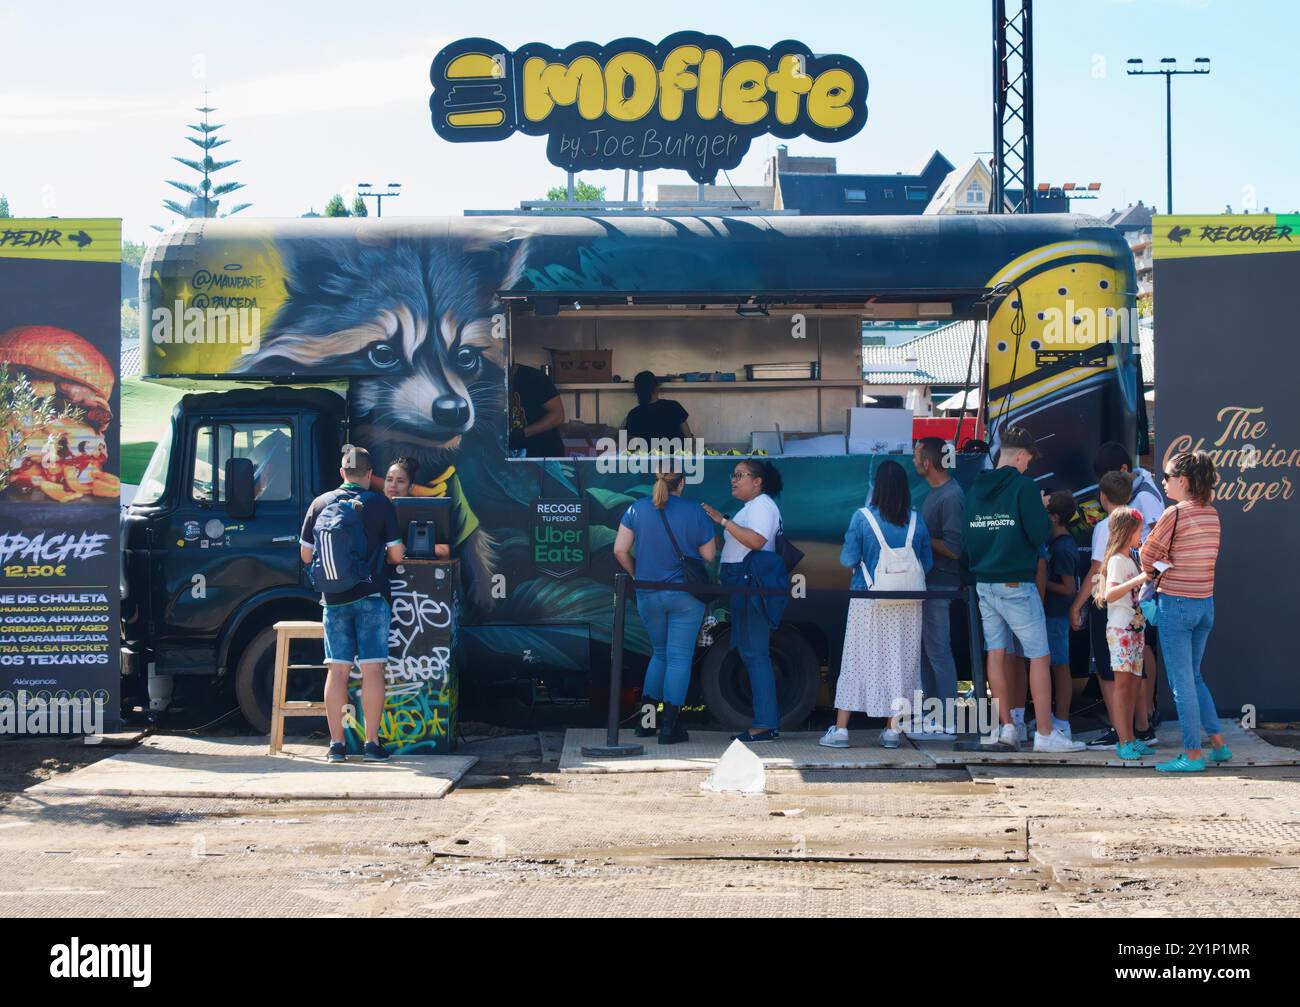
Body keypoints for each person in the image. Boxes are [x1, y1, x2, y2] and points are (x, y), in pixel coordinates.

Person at [963, 426, 1083, 752]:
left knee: (996, 654)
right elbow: (1039, 533)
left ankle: (1007, 729)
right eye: (1028, 460)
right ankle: (1044, 733)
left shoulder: (975, 487)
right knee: (1039, 656)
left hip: (984, 583)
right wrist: (1039, 507)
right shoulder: (1025, 487)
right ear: (1019, 455)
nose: (1028, 466)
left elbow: (968, 537)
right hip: (1017, 582)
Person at [300, 446, 404, 764]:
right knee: (372, 669)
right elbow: (397, 555)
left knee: (337, 670)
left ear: (342, 473)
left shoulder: (319, 504)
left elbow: (305, 555)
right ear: (370, 475)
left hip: (332, 600)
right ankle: (372, 745)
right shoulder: (379, 504)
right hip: (371, 596)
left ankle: (336, 746)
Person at [822, 460, 932, 749]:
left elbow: (847, 559)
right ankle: (892, 731)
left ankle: (842, 730)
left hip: (868, 599)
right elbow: (927, 563)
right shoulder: (917, 521)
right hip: (907, 603)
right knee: (901, 663)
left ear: (877, 487)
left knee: (857, 662)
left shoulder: (862, 518)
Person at [1140, 450, 1229, 773]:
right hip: (1205, 603)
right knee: (1194, 676)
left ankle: (1192, 755)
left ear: (1184, 481)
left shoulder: (1173, 514)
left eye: (1167, 476)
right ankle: (1218, 745)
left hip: (1176, 604)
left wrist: (1160, 567)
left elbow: (1147, 556)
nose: (1162, 482)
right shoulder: (1212, 513)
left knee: (1182, 683)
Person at [613, 469, 717, 744]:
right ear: (681, 483)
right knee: (679, 658)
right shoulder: (694, 511)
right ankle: (670, 729)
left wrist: (638, 575)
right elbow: (708, 555)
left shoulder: (636, 509)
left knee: (659, 654)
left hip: (648, 594)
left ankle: (646, 724)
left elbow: (619, 550)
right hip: (684, 595)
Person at [701, 460, 785, 743]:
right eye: (732, 476)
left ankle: (765, 724)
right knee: (750, 653)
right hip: (742, 585)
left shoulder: (762, 505)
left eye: (739, 475)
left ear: (757, 481)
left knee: (756, 654)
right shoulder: (751, 507)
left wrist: (723, 521)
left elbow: (756, 541)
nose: (733, 480)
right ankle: (764, 722)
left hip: (752, 585)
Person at [1070, 471, 1155, 749]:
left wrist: (1077, 605)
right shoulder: (1129, 526)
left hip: (1113, 613)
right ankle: (1139, 730)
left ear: (1102, 497)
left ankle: (1120, 733)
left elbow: (1096, 570)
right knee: (1129, 674)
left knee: (1112, 675)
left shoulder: (1108, 527)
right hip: (1127, 616)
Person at [1094, 441, 1165, 733]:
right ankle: (1139, 725)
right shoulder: (1135, 497)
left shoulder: (1143, 500)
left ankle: (1139, 722)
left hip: (1134, 602)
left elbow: (1157, 539)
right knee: (1132, 667)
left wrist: (1144, 574)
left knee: (1131, 669)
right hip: (1135, 598)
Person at [1092, 505, 1155, 761]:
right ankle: (1123, 740)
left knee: (1131, 687)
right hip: (1121, 631)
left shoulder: (1130, 558)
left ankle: (1130, 738)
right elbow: (1110, 594)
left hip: (1133, 630)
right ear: (1127, 531)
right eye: (1138, 531)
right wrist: (1139, 579)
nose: (1141, 535)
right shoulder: (1118, 561)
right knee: (1123, 688)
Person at [913, 436, 964, 736]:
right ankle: (932, 715)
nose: (914, 461)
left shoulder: (950, 496)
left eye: (917, 456)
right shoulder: (939, 493)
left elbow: (955, 549)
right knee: (927, 651)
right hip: (929, 583)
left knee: (938, 651)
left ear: (928, 463)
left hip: (941, 584)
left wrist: (918, 536)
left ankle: (946, 720)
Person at [1043, 490, 1080, 737]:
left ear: (1055, 517)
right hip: (1052, 613)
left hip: (1057, 614)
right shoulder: (1058, 543)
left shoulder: (1063, 547)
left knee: (1060, 666)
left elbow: (1069, 588)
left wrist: (1041, 581)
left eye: (1046, 513)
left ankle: (1063, 721)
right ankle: (1055, 719)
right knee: (1054, 665)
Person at [382, 457, 450, 559]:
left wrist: (405, 549)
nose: (393, 485)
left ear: (410, 487)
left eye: (400, 481)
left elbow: (444, 551)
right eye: (389, 480)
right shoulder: (375, 508)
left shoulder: (421, 510)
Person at [509, 361, 566, 458]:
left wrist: (524, 433)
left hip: (544, 456)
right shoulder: (490, 380)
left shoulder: (534, 377)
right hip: (510, 458)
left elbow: (558, 415)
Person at [624, 371, 692, 445]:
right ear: (656, 388)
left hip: (649, 456)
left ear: (637, 392)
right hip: (675, 455)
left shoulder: (633, 414)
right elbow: (689, 439)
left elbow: (631, 447)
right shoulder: (674, 406)